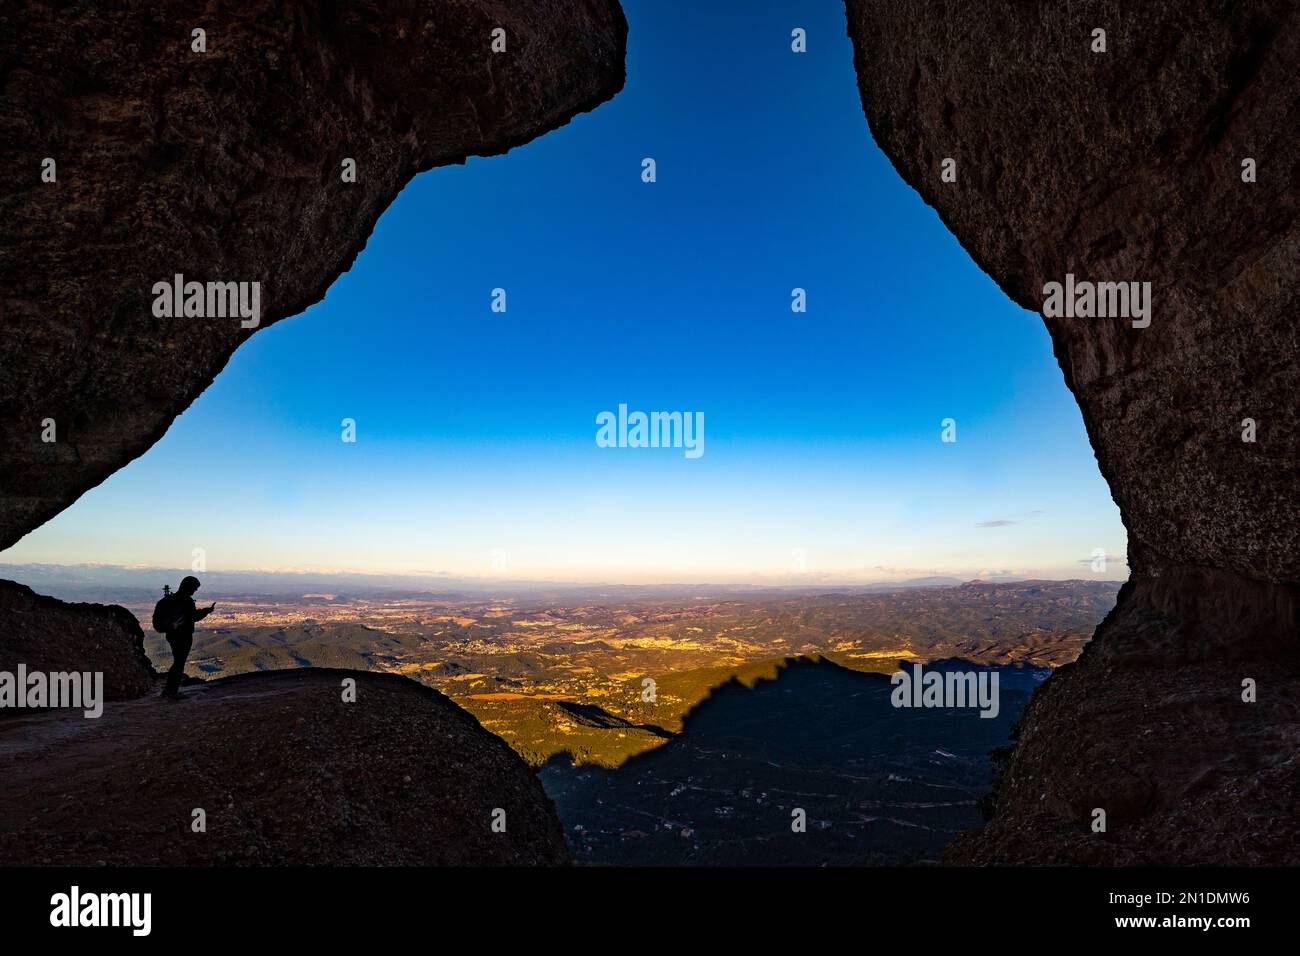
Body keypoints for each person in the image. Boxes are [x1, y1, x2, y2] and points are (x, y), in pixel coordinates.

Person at [162, 575, 214, 699]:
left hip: (175, 635)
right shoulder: (185, 601)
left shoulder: (175, 600)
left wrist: (206, 611)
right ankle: (170, 690)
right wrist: (206, 611)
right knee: (179, 663)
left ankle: (171, 689)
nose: (194, 591)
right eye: (194, 588)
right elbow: (193, 617)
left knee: (178, 662)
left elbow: (191, 616)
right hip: (182, 636)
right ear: (188, 587)